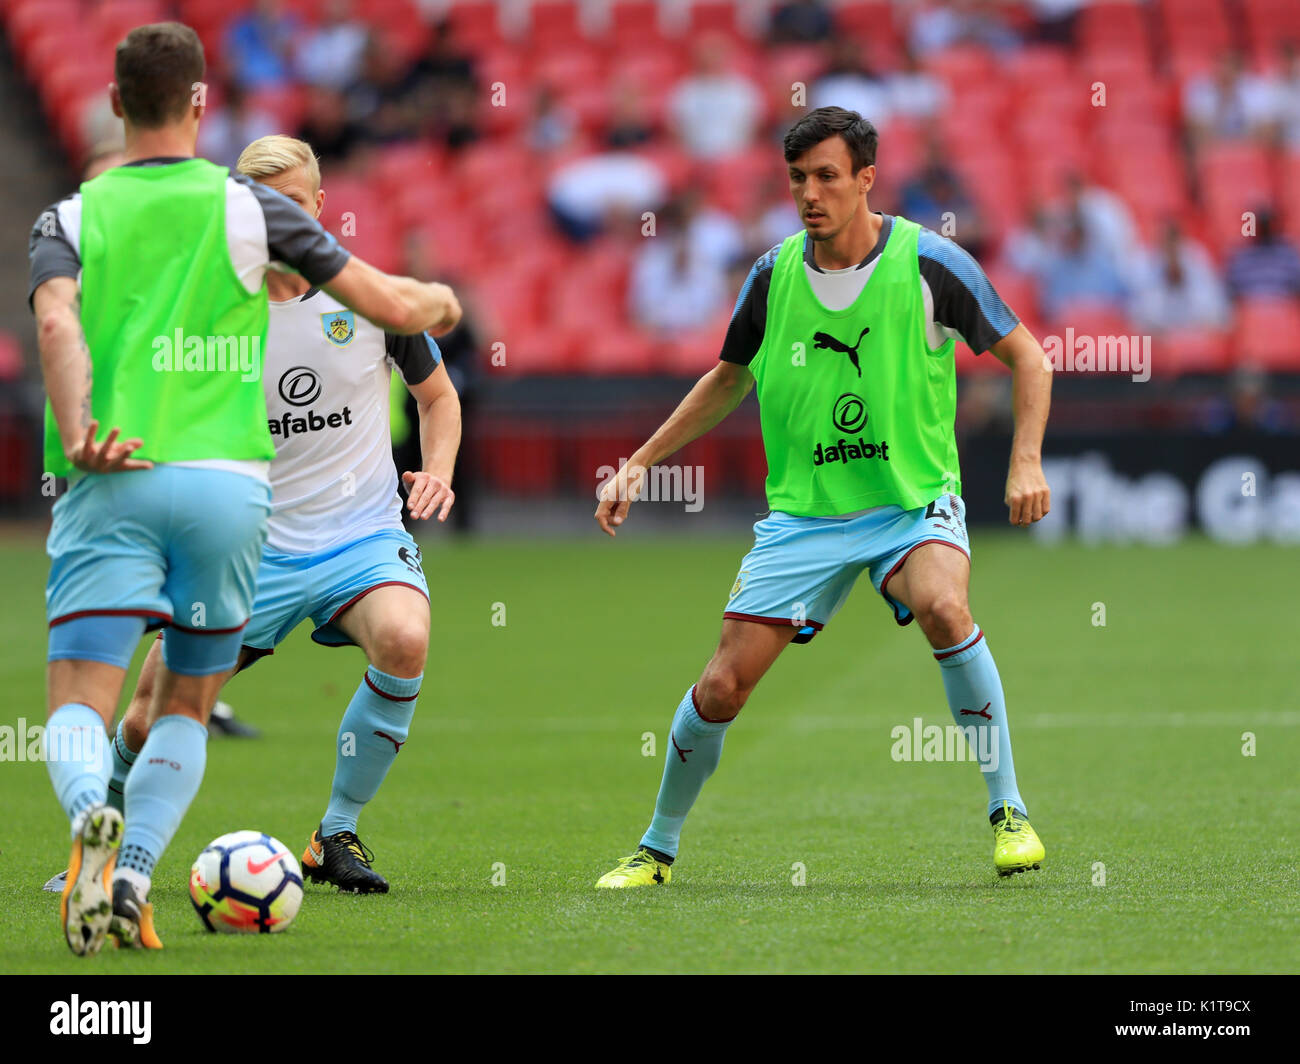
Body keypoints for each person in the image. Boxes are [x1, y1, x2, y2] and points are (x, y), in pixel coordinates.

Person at [28, 22, 460, 954]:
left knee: (403, 638)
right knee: (158, 711)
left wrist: (76, 430)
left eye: (295, 202)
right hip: (242, 523)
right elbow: (397, 302)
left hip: (309, 525)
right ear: (200, 107)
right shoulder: (233, 246)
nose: (283, 216)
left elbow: (66, 326)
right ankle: (117, 860)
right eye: (273, 201)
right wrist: (441, 298)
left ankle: (323, 831)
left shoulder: (77, 219)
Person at [593, 107, 1052, 888]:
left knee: (945, 606)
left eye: (828, 177)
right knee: (720, 687)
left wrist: (1025, 462)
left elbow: (1030, 358)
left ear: (866, 178)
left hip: (911, 505)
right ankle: (656, 847)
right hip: (805, 519)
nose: (811, 193)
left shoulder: (931, 262)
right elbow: (729, 377)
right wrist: (640, 460)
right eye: (799, 178)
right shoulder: (772, 275)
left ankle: (1008, 811)